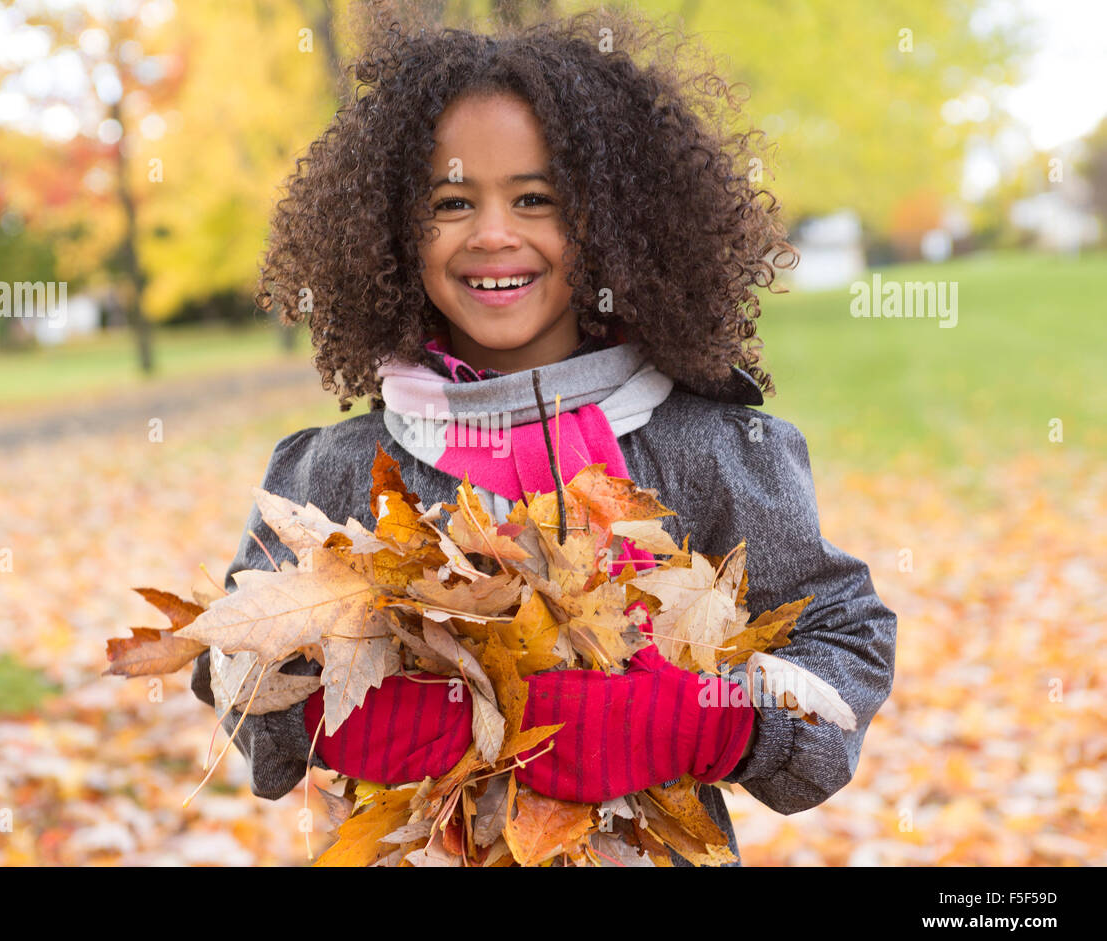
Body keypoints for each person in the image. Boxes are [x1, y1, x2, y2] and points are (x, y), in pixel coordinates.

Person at [190, 8, 896, 866]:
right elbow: (228, 662)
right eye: (452, 202)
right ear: (391, 232)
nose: (493, 233)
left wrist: (716, 722)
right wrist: (327, 715)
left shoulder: (710, 449)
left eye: (536, 198)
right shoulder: (335, 468)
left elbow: (844, 638)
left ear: (612, 220)